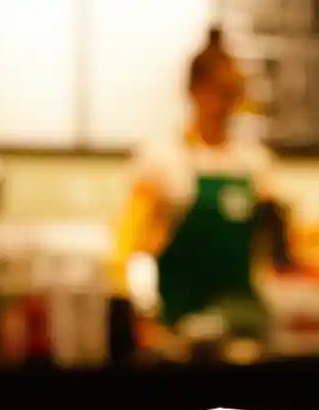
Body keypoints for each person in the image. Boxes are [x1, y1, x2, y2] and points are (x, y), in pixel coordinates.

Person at [118, 28, 276, 335]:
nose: (225, 106)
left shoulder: (255, 164)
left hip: (240, 315)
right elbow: (131, 244)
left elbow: (270, 249)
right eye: (218, 92)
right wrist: (140, 303)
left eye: (232, 94)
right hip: (177, 317)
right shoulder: (161, 160)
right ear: (194, 91)